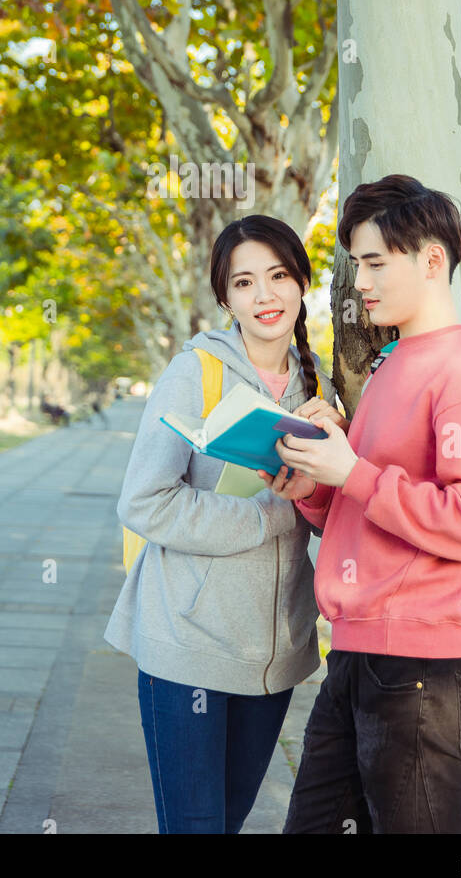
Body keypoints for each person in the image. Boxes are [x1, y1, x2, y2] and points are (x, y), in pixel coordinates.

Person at [258, 174, 461, 834]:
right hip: (357, 655)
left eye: (376, 262)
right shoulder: (391, 366)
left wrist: (350, 472)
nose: (362, 282)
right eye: (357, 264)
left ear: (432, 259)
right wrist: (316, 488)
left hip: (424, 670)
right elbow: (368, 505)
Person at [103, 214, 346, 834]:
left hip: (276, 655)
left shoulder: (319, 392)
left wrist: (327, 471)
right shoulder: (195, 374)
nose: (264, 296)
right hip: (187, 645)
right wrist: (267, 515)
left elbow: (331, 519)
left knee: (226, 823)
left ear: (302, 283)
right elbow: (145, 501)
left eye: (279, 276)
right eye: (244, 283)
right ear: (225, 297)